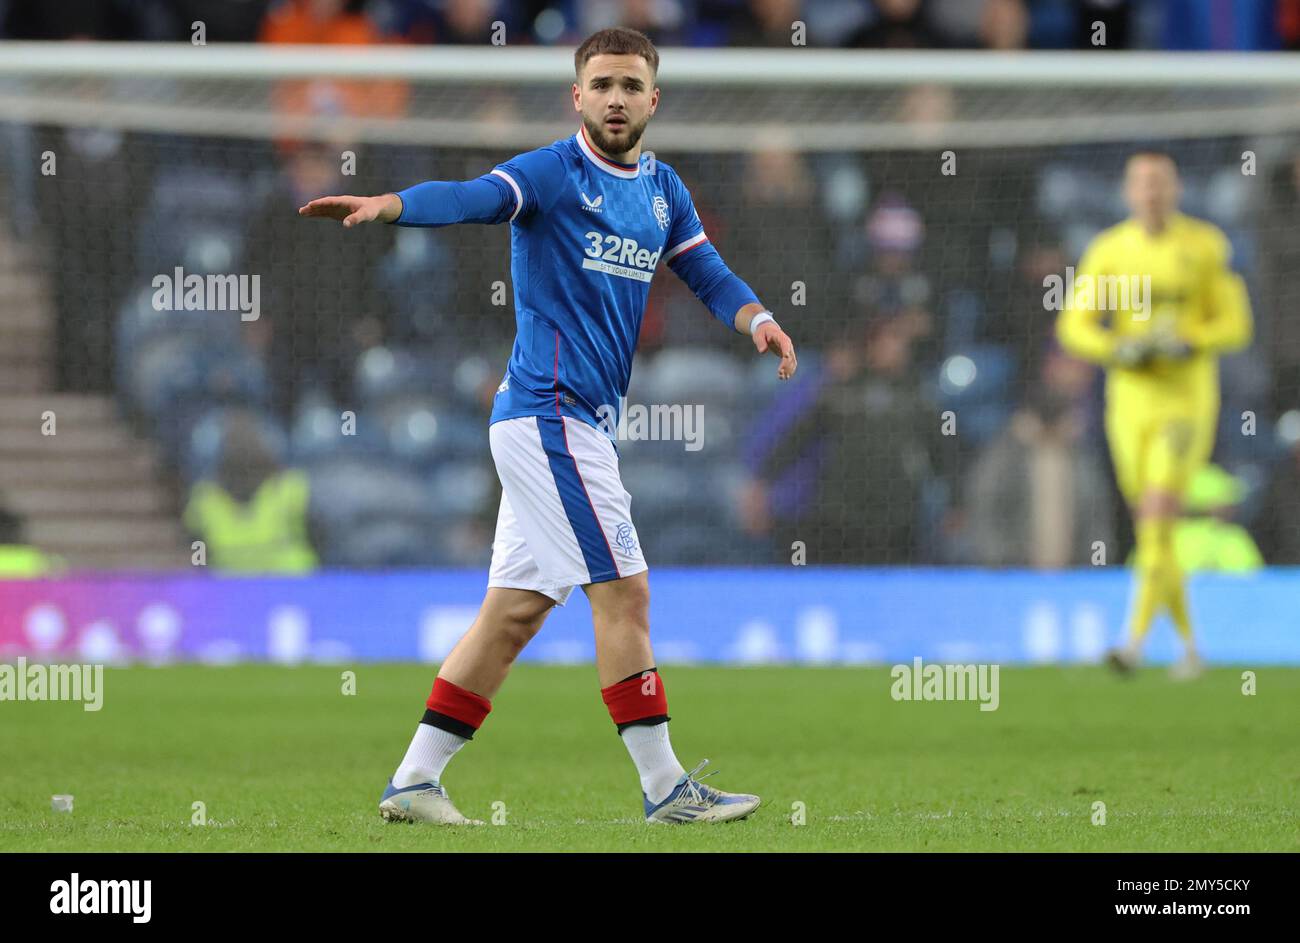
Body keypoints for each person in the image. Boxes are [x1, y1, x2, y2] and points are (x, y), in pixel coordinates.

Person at [299, 27, 797, 825]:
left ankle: (414, 779)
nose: (615, 98)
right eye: (601, 84)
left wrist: (756, 317)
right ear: (577, 95)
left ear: (653, 99)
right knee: (625, 592)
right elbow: (472, 199)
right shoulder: (553, 173)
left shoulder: (665, 189)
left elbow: (703, 266)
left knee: (515, 612)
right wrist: (392, 204)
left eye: (631, 85)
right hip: (548, 416)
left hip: (577, 425)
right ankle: (667, 786)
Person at [1056, 151, 1252, 680]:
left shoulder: (1205, 247)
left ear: (1176, 189)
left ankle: (1134, 644)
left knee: (1159, 514)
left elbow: (1236, 322)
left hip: (1185, 403)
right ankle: (1190, 648)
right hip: (1130, 404)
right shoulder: (1110, 250)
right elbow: (1074, 325)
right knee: (1153, 531)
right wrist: (1116, 348)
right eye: (1142, 184)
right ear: (1127, 193)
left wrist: (1194, 340)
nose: (1152, 193)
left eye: (1160, 183)